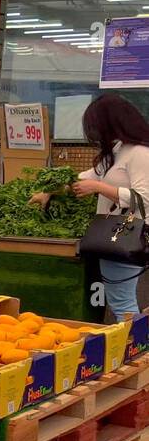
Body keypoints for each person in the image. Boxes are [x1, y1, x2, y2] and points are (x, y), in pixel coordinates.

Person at [73, 94, 149, 319]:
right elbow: (84, 177)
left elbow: (144, 199)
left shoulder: (139, 153)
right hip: (116, 237)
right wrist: (50, 190)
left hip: (127, 234)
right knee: (121, 301)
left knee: (122, 303)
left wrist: (98, 187)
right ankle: (134, 348)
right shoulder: (117, 152)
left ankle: (134, 349)